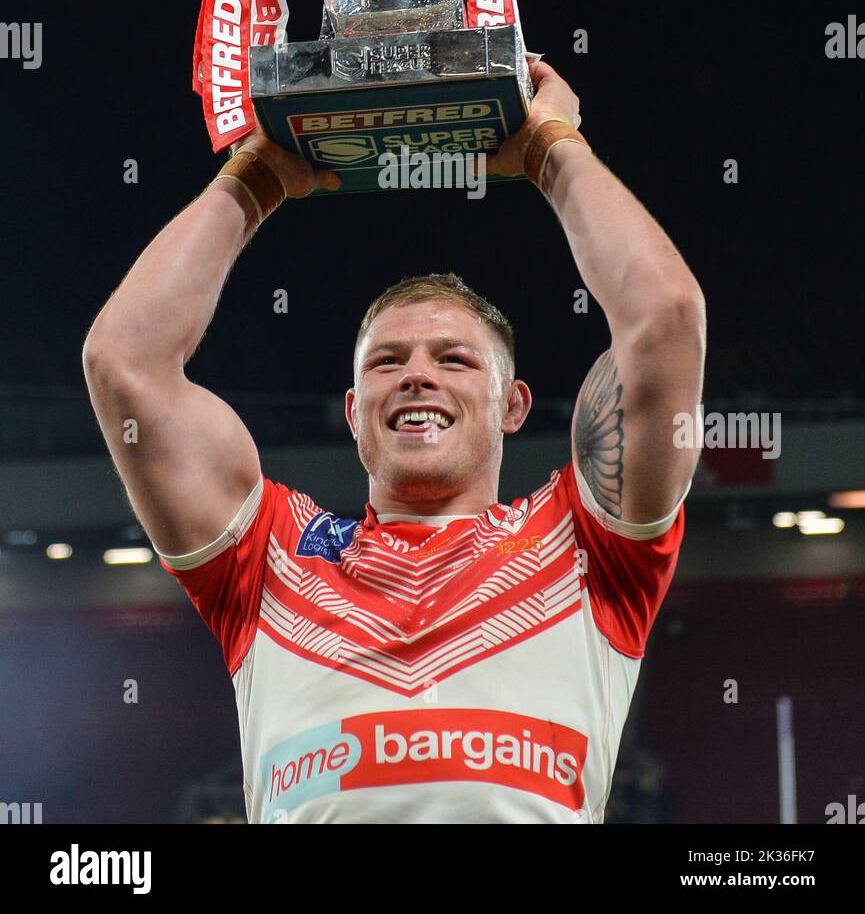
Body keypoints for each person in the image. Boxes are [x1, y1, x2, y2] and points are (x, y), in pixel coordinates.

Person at [82, 59, 706, 823]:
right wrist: (256, 176)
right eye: (386, 361)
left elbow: (665, 320)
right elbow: (125, 364)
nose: (416, 376)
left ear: (512, 406)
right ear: (353, 411)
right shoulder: (268, 560)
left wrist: (552, 147)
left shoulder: (585, 543)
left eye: (453, 359)